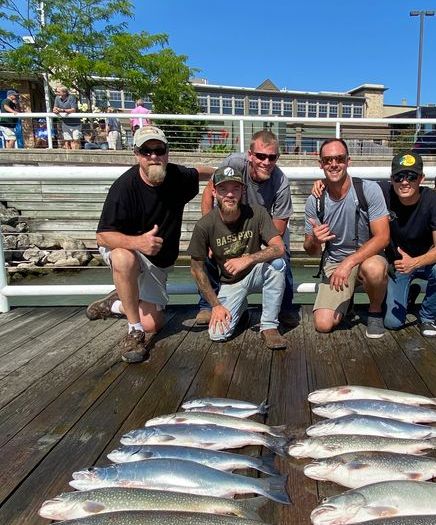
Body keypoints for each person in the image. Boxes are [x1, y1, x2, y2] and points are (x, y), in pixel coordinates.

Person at [85, 125, 214, 363]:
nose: (153, 156)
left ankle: (118, 303)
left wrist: (227, 175)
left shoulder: (178, 176)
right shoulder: (124, 187)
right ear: (136, 154)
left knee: (153, 324)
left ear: (167, 152)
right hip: (129, 249)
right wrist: (138, 242)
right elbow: (102, 236)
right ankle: (134, 331)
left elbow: (203, 172)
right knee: (124, 258)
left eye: (159, 150)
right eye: (146, 151)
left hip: (159, 261)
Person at [195, 130, 298, 327]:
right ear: (250, 155)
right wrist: (208, 233)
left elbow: (279, 228)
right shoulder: (233, 163)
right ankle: (207, 305)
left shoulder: (281, 182)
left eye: (272, 157)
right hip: (228, 221)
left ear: (277, 158)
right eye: (260, 156)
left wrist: (255, 251)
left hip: (261, 226)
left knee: (281, 255)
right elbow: (209, 192)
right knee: (207, 250)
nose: (266, 162)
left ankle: (284, 308)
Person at [189, 165, 288, 350]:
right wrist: (215, 305)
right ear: (214, 191)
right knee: (218, 335)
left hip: (256, 272)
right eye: (223, 189)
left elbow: (279, 248)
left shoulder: (257, 212)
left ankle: (269, 326)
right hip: (231, 282)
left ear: (243, 190)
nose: (229, 194)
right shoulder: (204, 225)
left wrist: (248, 259)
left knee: (278, 264)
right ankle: (240, 307)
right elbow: (196, 269)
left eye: (235, 188)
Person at [304, 138, 390, 338]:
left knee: (374, 268)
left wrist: (349, 262)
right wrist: (316, 241)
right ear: (321, 164)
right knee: (323, 325)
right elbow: (311, 251)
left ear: (348, 161)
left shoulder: (368, 190)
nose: (334, 164)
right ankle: (346, 302)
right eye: (328, 160)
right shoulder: (314, 201)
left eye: (339, 158)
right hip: (335, 263)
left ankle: (375, 311)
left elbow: (383, 237)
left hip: (368, 257)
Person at [383, 151, 436, 337]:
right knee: (392, 323)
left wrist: (414, 262)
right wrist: (322, 183)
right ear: (392, 179)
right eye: (399, 176)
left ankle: (428, 317)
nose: (405, 182)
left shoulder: (434, 200)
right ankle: (410, 294)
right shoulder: (383, 193)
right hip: (399, 266)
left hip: (427, 260)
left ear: (421, 178)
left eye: (411, 176)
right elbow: (351, 184)